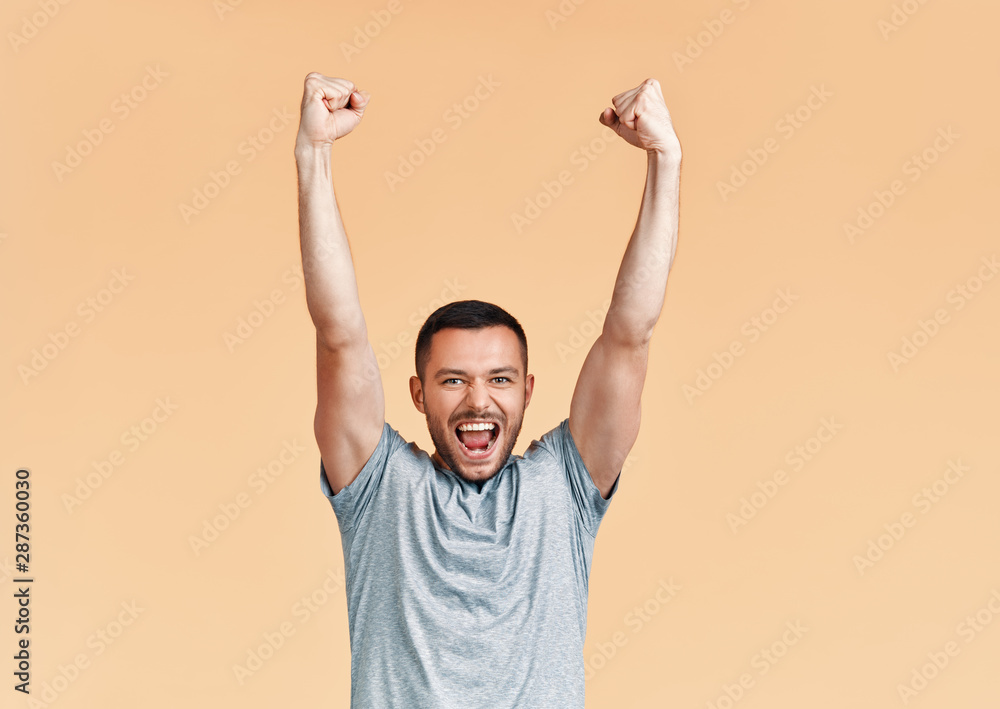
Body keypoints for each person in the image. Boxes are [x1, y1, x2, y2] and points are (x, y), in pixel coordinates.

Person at [295, 73, 681, 708]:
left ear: (528, 391)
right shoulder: (380, 492)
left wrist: (666, 159)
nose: (479, 401)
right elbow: (338, 333)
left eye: (499, 379)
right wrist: (313, 155)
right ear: (418, 395)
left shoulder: (562, 490)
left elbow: (629, 334)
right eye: (454, 381)